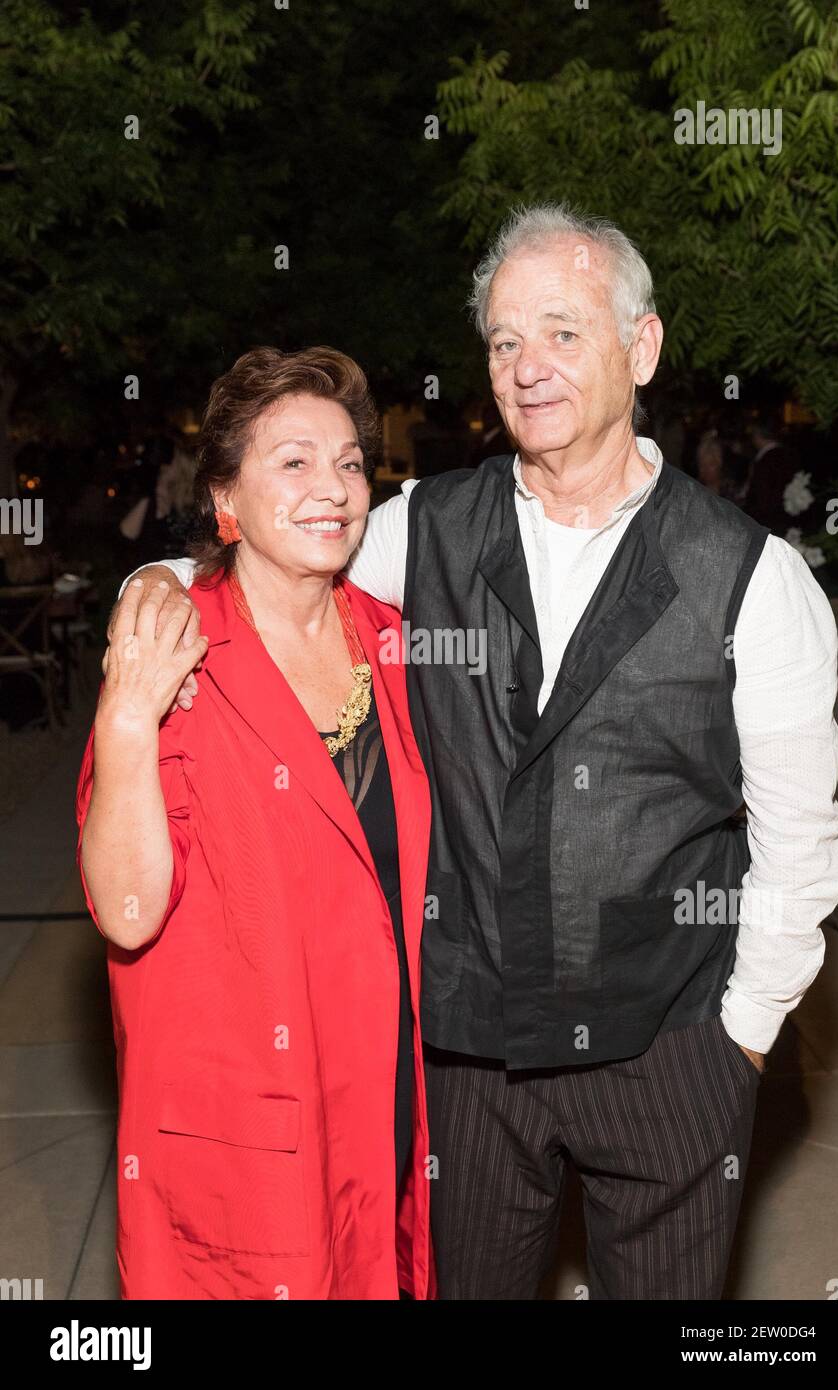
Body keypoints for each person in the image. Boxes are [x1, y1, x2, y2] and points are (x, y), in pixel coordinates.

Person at [119, 205, 838, 1301]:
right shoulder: (419, 528)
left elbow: (799, 844)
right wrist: (155, 586)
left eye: (560, 331)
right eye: (503, 341)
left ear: (638, 348)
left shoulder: (752, 577)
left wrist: (737, 1039)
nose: (526, 366)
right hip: (465, 1067)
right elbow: (272, 553)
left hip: (667, 1053)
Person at [75, 346, 434, 1300]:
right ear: (226, 499)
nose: (335, 488)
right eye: (295, 462)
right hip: (242, 1133)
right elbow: (127, 908)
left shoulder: (397, 644)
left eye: (352, 462)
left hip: (387, 1104)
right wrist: (122, 718)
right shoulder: (177, 656)